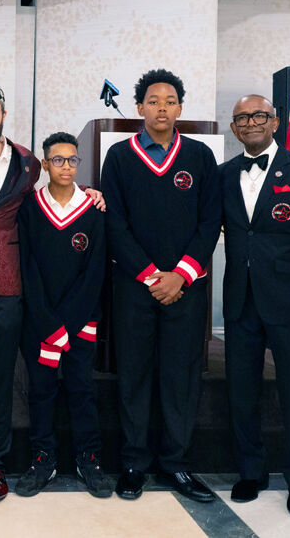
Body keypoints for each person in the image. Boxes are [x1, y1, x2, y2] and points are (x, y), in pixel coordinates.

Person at [0, 82, 102, 502]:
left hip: (6, 287)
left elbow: (56, 194)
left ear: (3, 117)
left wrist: (93, 193)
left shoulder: (28, 163)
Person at [101, 69, 221, 503]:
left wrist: (180, 275)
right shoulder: (118, 157)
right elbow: (114, 223)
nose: (162, 108)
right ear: (139, 108)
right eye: (154, 101)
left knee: (181, 376)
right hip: (136, 287)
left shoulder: (200, 157)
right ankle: (134, 462)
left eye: (171, 101)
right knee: (133, 373)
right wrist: (152, 276)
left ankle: (177, 464)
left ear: (181, 109)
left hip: (186, 288)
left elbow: (211, 221)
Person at [220, 94, 290, 517]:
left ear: (274, 121)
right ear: (234, 129)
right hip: (240, 303)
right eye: (241, 118)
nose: (250, 123)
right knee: (241, 393)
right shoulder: (224, 174)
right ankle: (251, 472)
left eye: (258, 116)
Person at [14, 132, 112, 499]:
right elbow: (28, 270)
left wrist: (66, 325)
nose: (66, 166)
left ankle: (89, 458)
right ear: (45, 163)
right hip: (40, 322)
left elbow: (95, 273)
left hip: (80, 322)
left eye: (72, 160)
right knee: (40, 390)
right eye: (58, 160)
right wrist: (49, 324)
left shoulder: (94, 210)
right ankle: (43, 458)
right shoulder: (29, 208)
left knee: (82, 389)